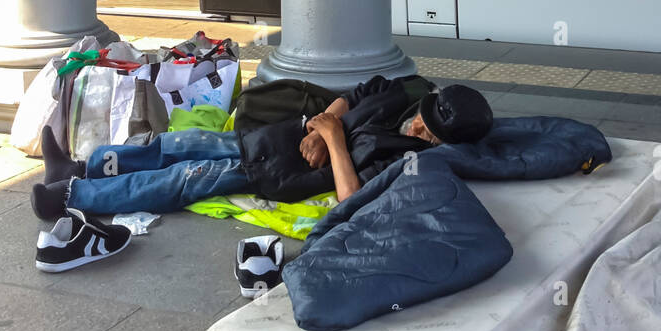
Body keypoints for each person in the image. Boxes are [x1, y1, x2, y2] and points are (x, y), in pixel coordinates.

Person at [31, 77, 495, 224]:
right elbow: (350, 96)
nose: (419, 127)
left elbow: (352, 199)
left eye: (431, 133)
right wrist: (322, 125)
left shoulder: (410, 160)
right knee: (174, 145)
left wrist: (333, 142)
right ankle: (78, 165)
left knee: (182, 178)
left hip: (282, 172)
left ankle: (72, 197)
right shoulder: (400, 95)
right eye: (424, 118)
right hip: (279, 136)